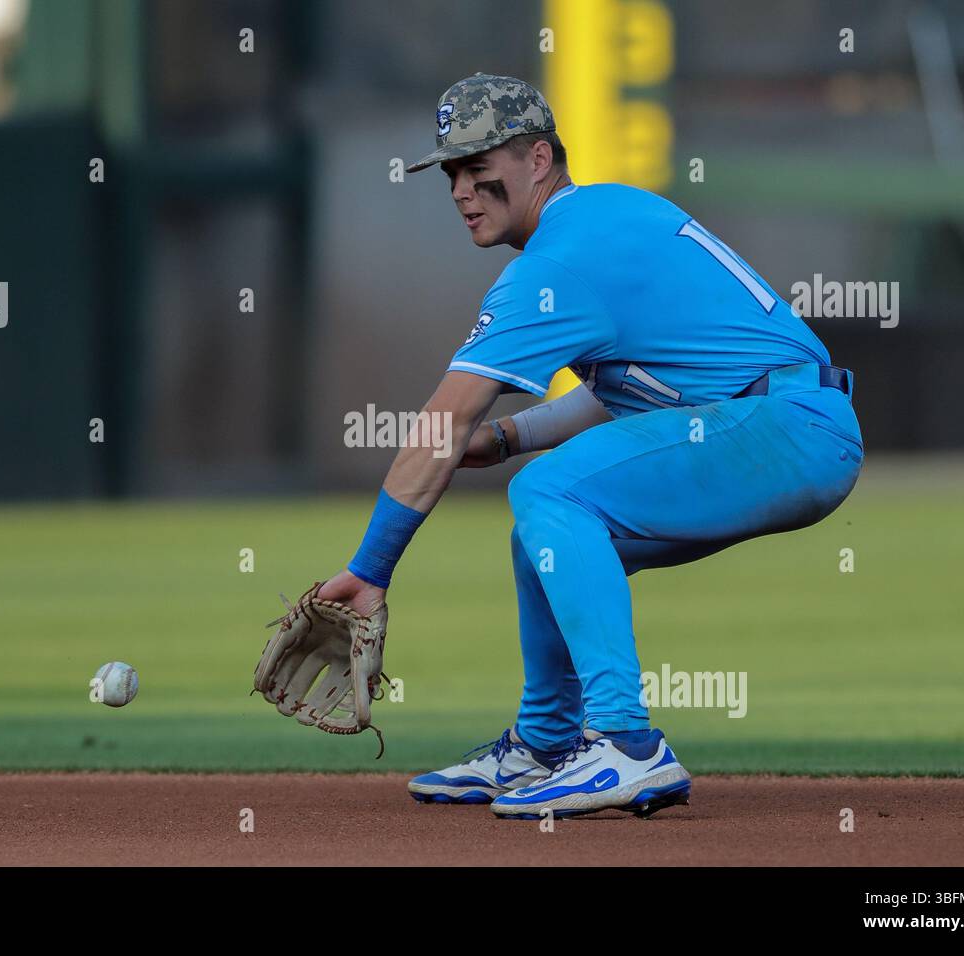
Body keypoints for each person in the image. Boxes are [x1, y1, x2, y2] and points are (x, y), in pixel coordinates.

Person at [317, 73, 863, 819]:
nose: (461, 190)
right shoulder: (607, 214)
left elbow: (441, 423)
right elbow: (628, 388)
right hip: (785, 419)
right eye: (452, 173)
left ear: (539, 158)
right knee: (541, 531)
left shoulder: (556, 263)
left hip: (785, 426)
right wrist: (512, 437)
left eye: (481, 169)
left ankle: (625, 744)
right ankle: (544, 743)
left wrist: (370, 567)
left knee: (553, 492)